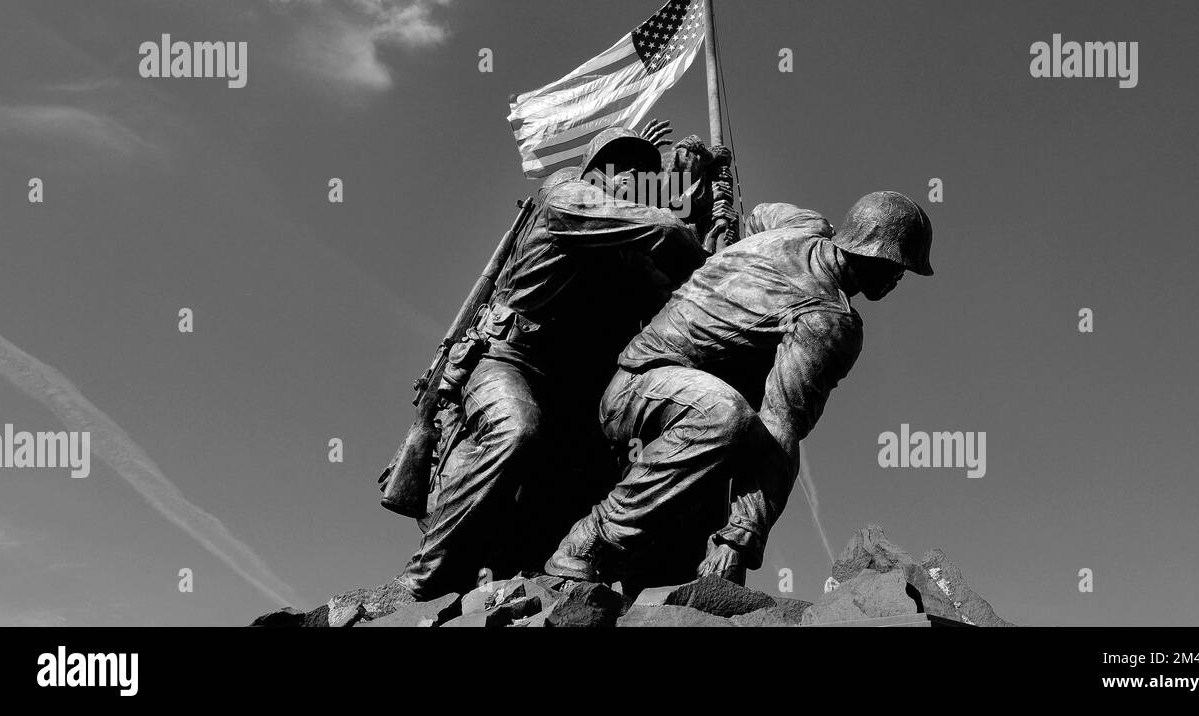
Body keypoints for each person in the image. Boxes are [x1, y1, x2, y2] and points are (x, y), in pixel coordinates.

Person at [544, 192, 934, 587]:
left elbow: (760, 215)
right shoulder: (829, 321)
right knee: (726, 415)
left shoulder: (804, 223)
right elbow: (780, 426)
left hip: (648, 390)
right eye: (897, 264)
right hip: (641, 391)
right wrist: (741, 539)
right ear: (869, 251)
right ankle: (589, 541)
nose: (899, 277)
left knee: (726, 415)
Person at [400, 125, 715, 599]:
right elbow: (665, 227)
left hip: (569, 385)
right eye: (621, 166)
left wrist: (720, 233)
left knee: (613, 463)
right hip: (508, 357)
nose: (631, 175)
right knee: (516, 430)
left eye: (641, 171)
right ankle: (427, 576)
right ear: (597, 171)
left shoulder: (625, 250)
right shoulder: (566, 194)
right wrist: (685, 215)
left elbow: (680, 293)